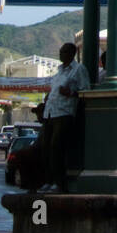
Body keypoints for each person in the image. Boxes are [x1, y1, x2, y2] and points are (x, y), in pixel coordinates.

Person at [39, 42, 89, 193]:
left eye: (63, 52)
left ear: (71, 53)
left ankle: (60, 183)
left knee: (56, 147)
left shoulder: (78, 70)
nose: (60, 55)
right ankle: (49, 180)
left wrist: (71, 93)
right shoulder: (59, 71)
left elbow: (85, 90)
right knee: (45, 147)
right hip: (51, 112)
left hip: (64, 112)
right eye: (60, 52)